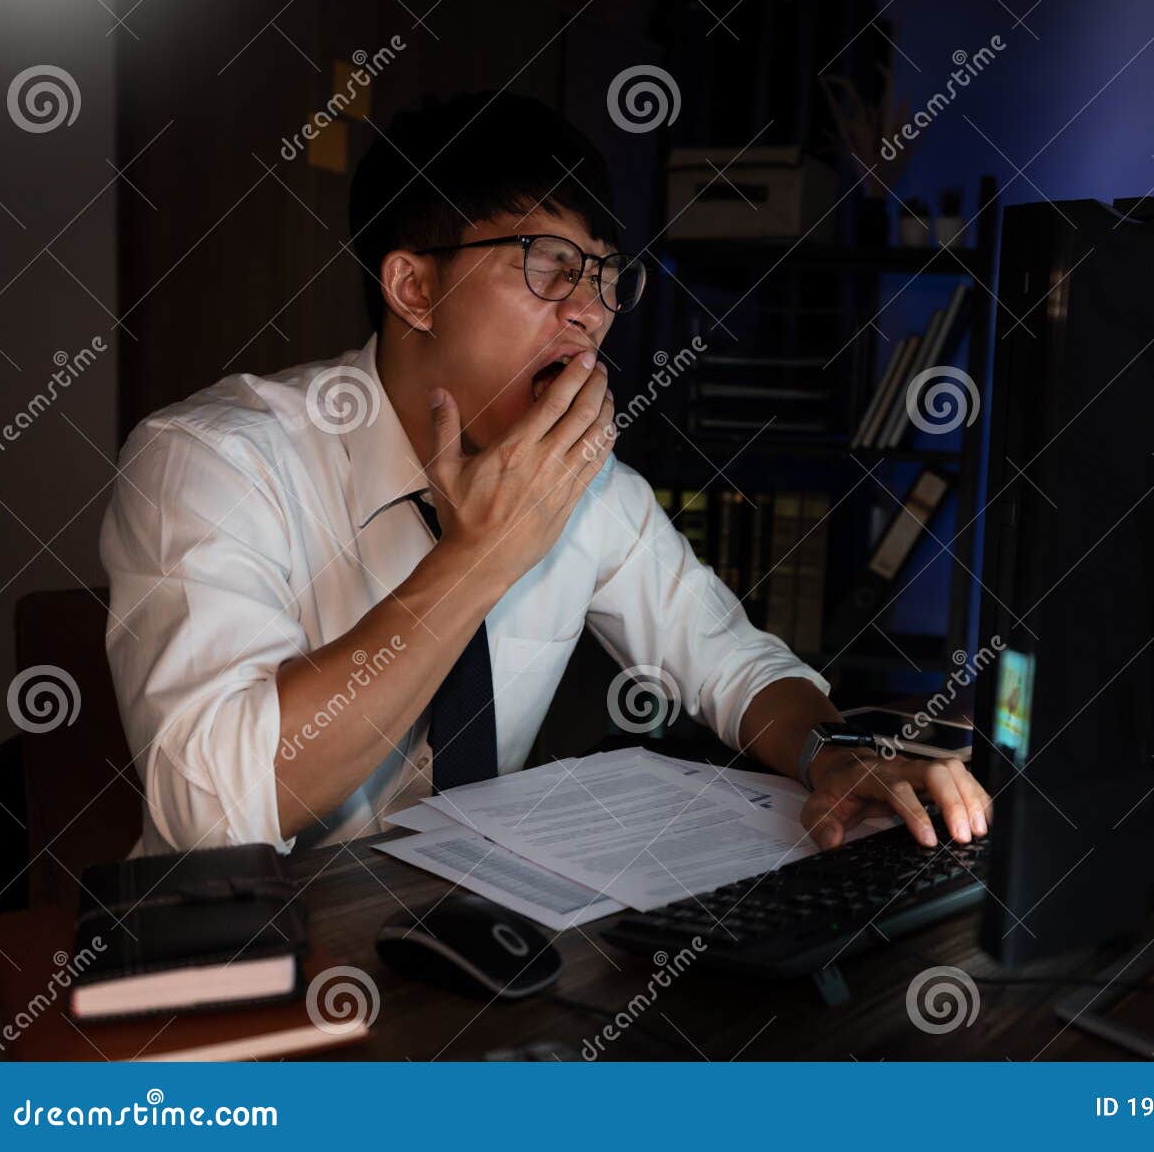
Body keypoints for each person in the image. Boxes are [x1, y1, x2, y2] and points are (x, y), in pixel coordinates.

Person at [100, 90, 991, 858]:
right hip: (243, 966)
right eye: (551, 267)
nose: (592, 312)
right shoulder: (211, 461)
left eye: (604, 277)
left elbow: (730, 659)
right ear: (414, 290)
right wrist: (478, 558)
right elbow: (217, 810)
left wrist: (830, 752)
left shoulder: (582, 483)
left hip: (465, 945)